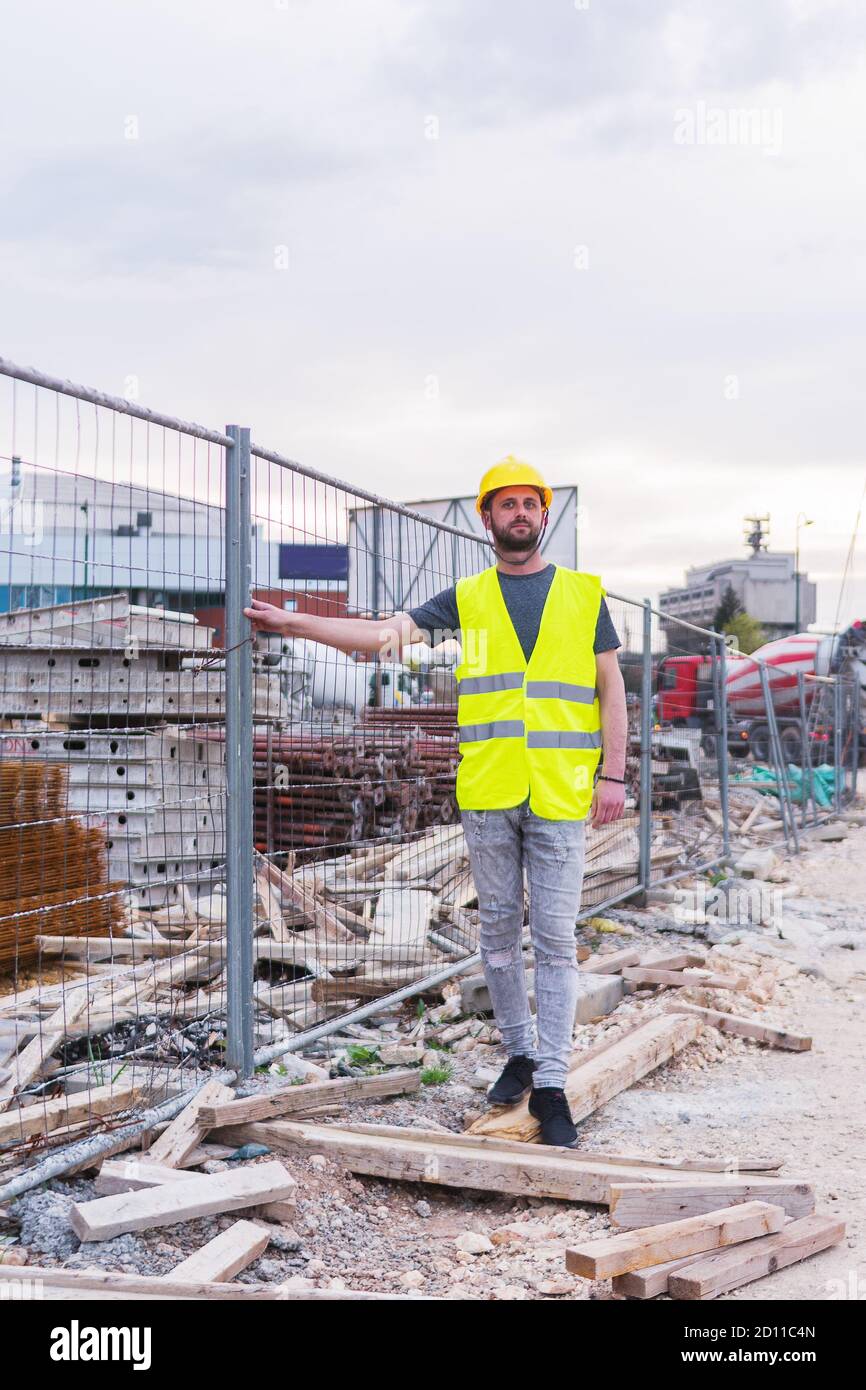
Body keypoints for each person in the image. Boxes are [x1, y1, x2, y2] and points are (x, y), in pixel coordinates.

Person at [245, 455, 628, 1147]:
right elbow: (381, 637)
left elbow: (612, 692)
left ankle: (551, 1081)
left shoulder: (582, 594)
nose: (518, 514)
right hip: (489, 791)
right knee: (499, 938)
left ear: (544, 515)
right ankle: (518, 1050)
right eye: (505, 505)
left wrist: (615, 775)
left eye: (528, 504)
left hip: (563, 792)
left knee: (556, 941)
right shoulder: (467, 599)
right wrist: (298, 626)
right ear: (488, 519)